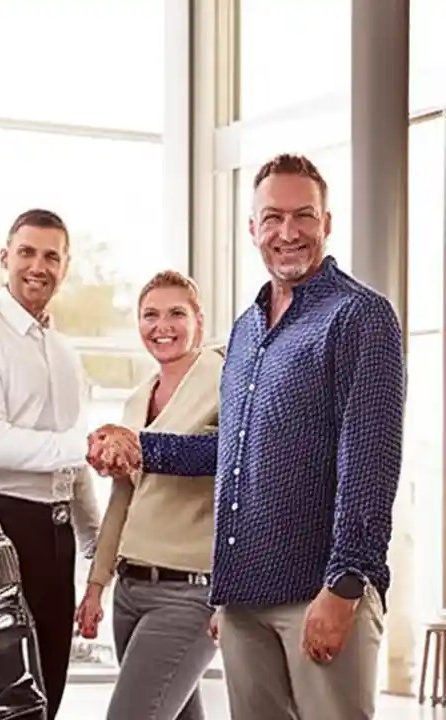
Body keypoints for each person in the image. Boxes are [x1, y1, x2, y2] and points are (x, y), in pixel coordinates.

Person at [87, 153, 403, 720]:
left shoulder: (359, 317)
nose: (288, 232)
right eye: (272, 218)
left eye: (303, 216)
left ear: (327, 223)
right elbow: (235, 449)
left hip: (317, 592)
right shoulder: (248, 329)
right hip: (243, 600)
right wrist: (143, 445)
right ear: (253, 228)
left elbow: (370, 463)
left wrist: (346, 585)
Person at [0, 208, 100, 718]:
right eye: (27, 252)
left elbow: (70, 465)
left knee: (49, 680)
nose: (38, 266)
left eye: (51, 256)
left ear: (65, 266)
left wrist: (94, 540)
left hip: (54, 535)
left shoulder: (64, 353)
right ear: (4, 258)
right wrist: (87, 446)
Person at [73, 270, 222, 720]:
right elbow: (123, 499)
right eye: (150, 315)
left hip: (189, 594)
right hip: (131, 592)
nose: (163, 326)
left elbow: (236, 473)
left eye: (177, 313)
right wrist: (97, 584)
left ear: (198, 318)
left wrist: (231, 595)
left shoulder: (226, 380)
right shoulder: (137, 399)